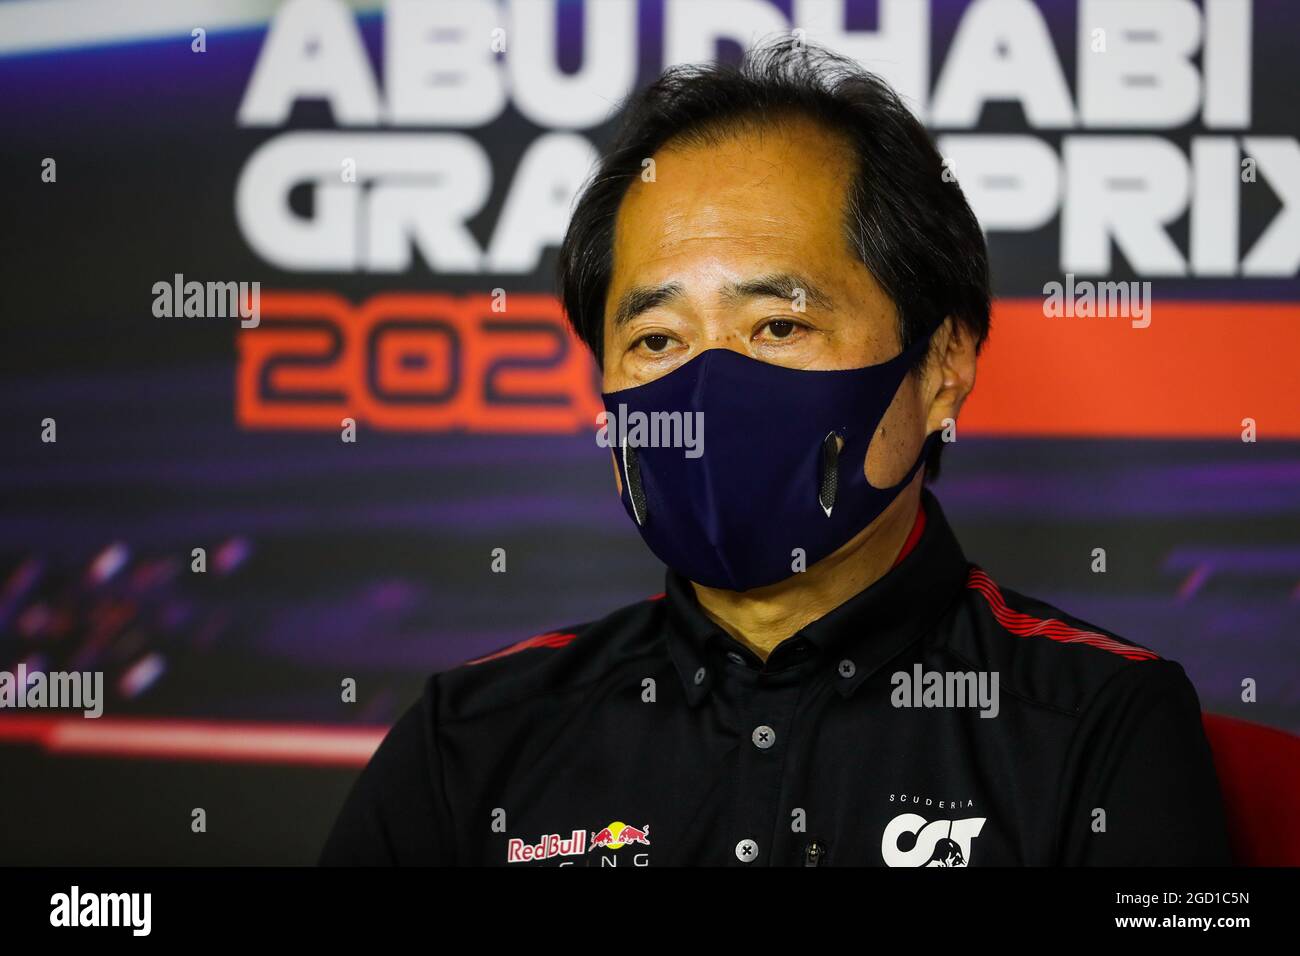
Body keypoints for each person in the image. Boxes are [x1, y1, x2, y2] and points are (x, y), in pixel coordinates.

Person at [320, 38, 1230, 867]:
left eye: (778, 325)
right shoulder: (472, 741)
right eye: (658, 341)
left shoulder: (1097, 726)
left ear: (943, 365)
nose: (709, 391)